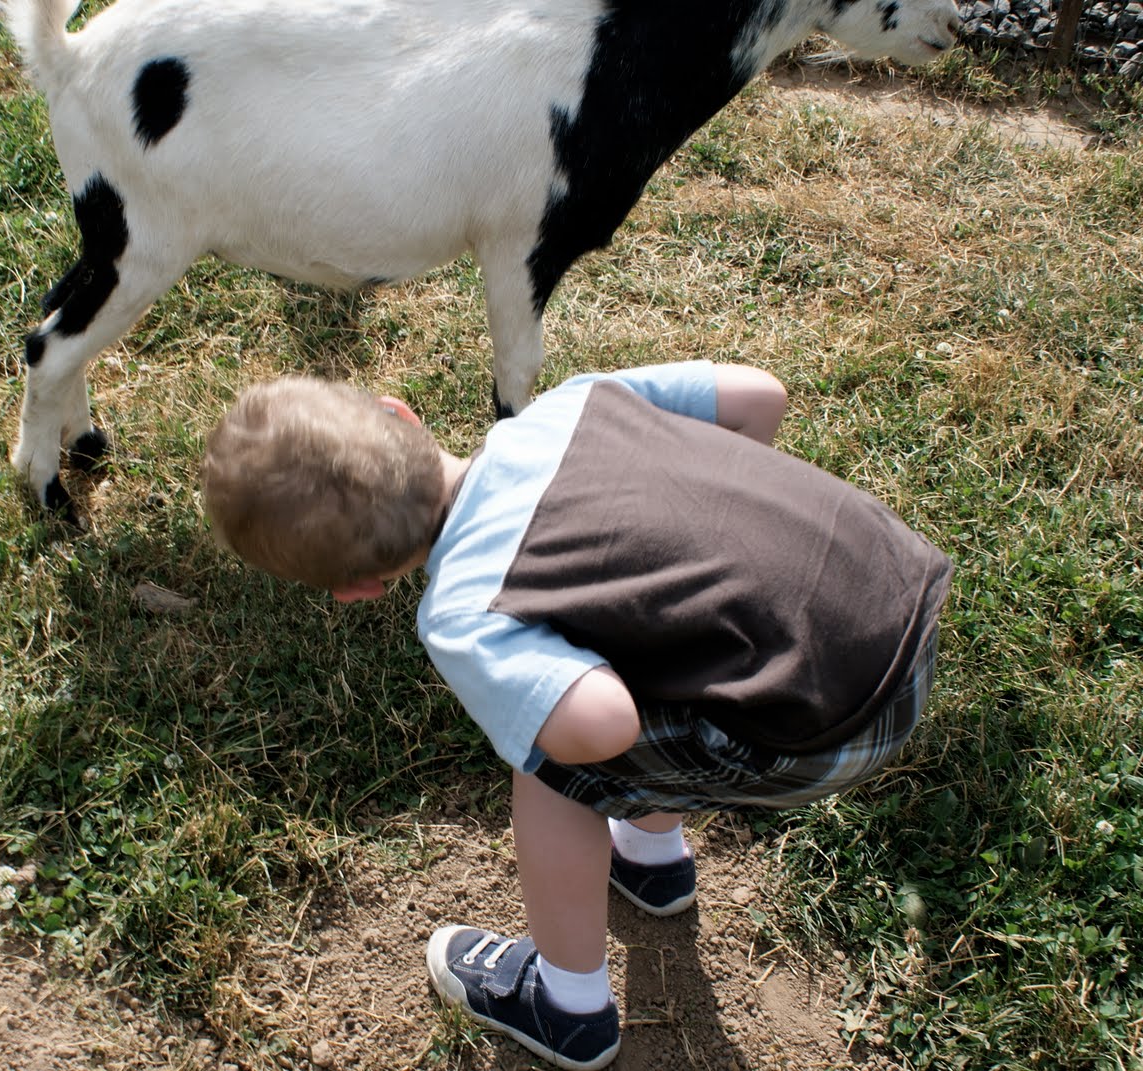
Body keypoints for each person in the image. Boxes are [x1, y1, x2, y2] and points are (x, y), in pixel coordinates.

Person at [200, 360, 951, 1070]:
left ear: (358, 589)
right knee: (641, 639)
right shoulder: (569, 404)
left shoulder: (465, 610)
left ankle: (570, 1005)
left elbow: (605, 728)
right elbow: (761, 397)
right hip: (893, 589)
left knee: (550, 764)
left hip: (830, 726)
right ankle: (650, 861)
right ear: (401, 412)